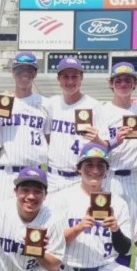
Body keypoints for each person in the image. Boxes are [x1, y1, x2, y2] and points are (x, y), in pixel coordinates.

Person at [57, 143, 137, 271]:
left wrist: (115, 229)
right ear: (79, 169)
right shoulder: (62, 199)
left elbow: (125, 249)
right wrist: (79, 228)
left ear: (107, 171)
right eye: (89, 165)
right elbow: (53, 244)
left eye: (100, 165)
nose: (95, 170)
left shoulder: (118, 203)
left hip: (106, 270)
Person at [0, 52, 50, 202]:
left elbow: (49, 139)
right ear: (13, 72)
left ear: (35, 74)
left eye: (29, 70)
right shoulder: (3, 103)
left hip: (35, 172)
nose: (24, 74)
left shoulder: (45, 104)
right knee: (5, 214)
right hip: (8, 173)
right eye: (20, 70)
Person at [46, 57, 102, 195]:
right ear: (58, 79)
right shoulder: (51, 104)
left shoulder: (94, 106)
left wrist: (97, 140)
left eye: (74, 76)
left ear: (81, 78)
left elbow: (105, 145)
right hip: (53, 177)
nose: (70, 81)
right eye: (65, 76)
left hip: (80, 178)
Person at [96, 62, 137, 211]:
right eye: (118, 81)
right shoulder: (102, 111)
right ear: (111, 83)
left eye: (127, 80)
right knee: (107, 222)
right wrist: (115, 141)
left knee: (133, 223)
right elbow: (96, 148)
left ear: (135, 83)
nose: (123, 84)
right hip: (110, 176)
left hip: (135, 177)